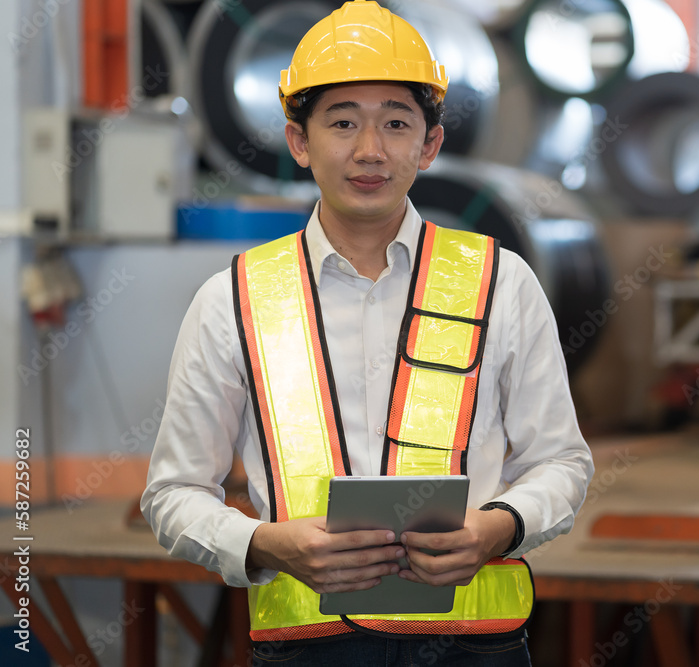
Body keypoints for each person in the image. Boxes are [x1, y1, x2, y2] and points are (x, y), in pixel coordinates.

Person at [141, 1, 594, 664]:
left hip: (475, 649)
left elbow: (561, 461)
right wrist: (267, 544)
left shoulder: (503, 283)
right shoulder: (232, 300)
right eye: (343, 121)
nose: (369, 149)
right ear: (299, 140)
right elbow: (173, 492)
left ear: (430, 143)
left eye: (396, 123)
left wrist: (496, 529)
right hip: (309, 650)